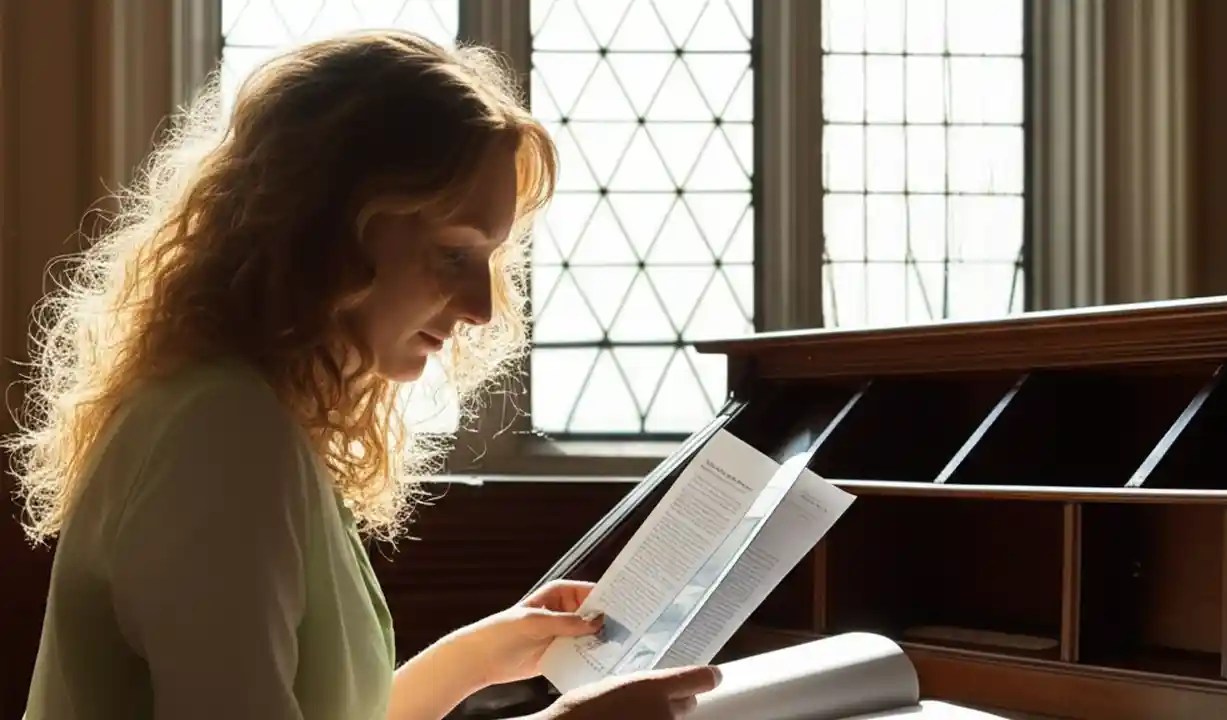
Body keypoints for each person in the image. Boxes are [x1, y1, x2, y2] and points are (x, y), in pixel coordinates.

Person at [12, 30, 720, 719]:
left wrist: (474, 660)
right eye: (453, 255)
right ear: (330, 228)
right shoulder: (222, 432)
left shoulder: (245, 412)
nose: (480, 307)